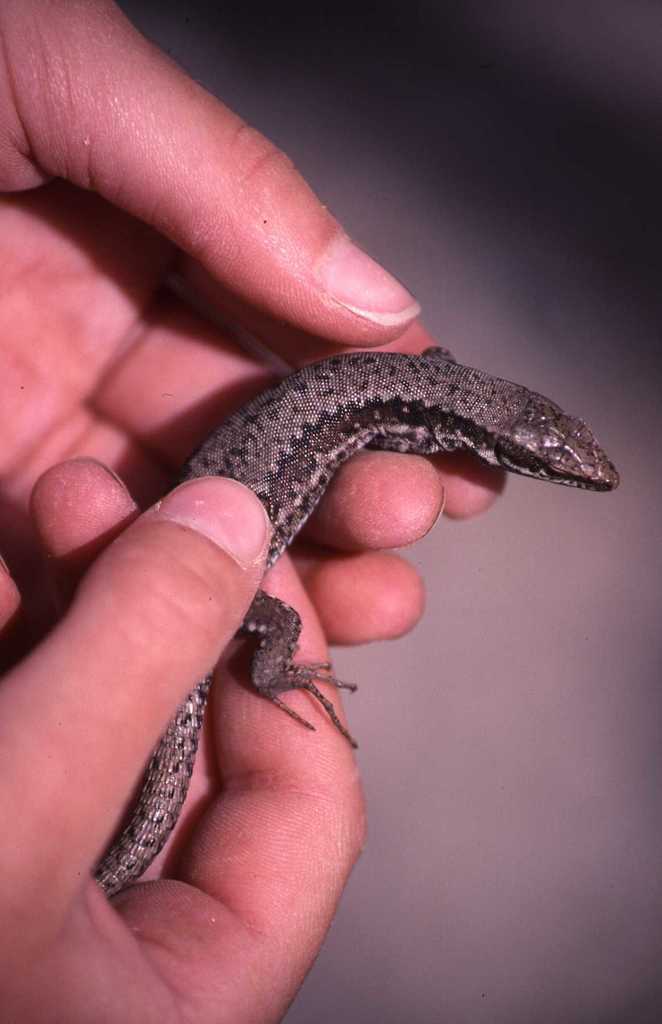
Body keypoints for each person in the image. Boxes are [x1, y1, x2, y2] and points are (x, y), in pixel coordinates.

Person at [0, 2, 502, 1019]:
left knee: (367, 521)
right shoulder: (408, 417)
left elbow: (392, 411)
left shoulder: (407, 409)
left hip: (257, 464)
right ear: (494, 440)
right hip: (231, 534)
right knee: (280, 615)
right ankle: (269, 672)